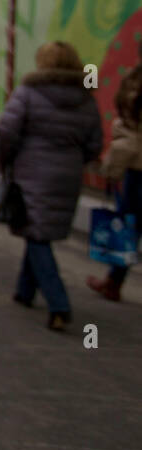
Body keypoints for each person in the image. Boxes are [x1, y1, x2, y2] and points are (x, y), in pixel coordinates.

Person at [0, 41, 102, 330]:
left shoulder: (29, 92)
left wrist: (7, 160)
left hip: (32, 172)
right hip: (68, 176)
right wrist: (73, 160)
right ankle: (24, 291)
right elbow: (95, 143)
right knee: (38, 229)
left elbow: (7, 130)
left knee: (37, 234)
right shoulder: (86, 99)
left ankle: (59, 304)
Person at [88, 57, 142, 301]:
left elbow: (131, 132)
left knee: (130, 224)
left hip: (138, 171)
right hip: (136, 169)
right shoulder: (135, 81)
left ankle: (113, 282)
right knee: (130, 224)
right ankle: (113, 281)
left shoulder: (135, 82)